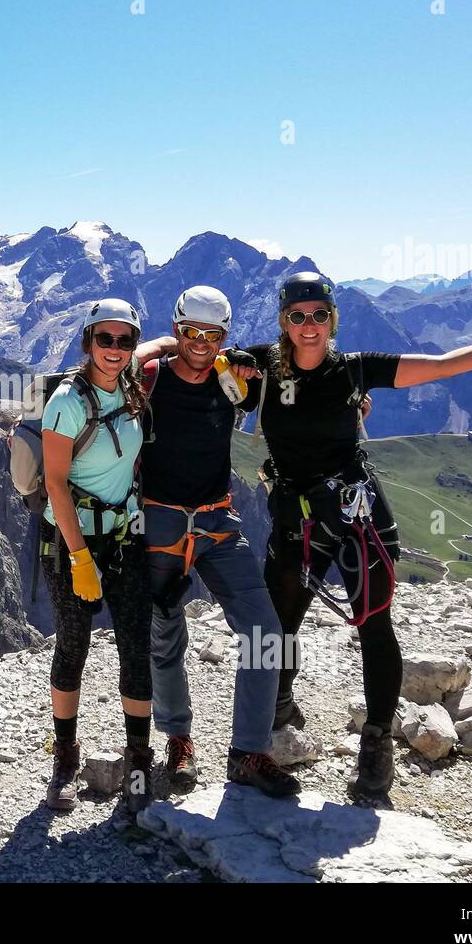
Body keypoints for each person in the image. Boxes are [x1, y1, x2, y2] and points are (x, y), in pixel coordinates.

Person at [243, 272, 472, 797]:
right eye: (297, 316)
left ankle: (376, 742)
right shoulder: (261, 366)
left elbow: (445, 365)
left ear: (332, 319)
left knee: (374, 624)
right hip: (298, 515)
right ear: (283, 322)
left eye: (318, 315)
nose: (308, 326)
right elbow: (195, 355)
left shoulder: (357, 370)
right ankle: (280, 701)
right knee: (278, 623)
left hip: (355, 510)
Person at [133, 287, 300, 798]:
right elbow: (122, 362)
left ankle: (248, 751)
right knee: (164, 638)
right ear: (177, 330)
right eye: (190, 333)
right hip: (158, 521)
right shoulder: (150, 377)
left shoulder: (234, 381)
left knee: (265, 631)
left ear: (224, 336)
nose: (201, 343)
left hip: (216, 522)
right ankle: (178, 741)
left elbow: (292, 371)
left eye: (212, 335)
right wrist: (154, 347)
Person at [38, 298, 154, 813]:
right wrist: (81, 557)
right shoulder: (65, 402)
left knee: (135, 644)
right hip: (71, 541)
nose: (114, 349)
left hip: (124, 537)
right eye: (104, 339)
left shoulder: (130, 386)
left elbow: (166, 346)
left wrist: (195, 345)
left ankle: (138, 762)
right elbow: (56, 486)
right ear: (88, 341)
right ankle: (64, 758)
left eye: (125, 340)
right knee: (73, 645)